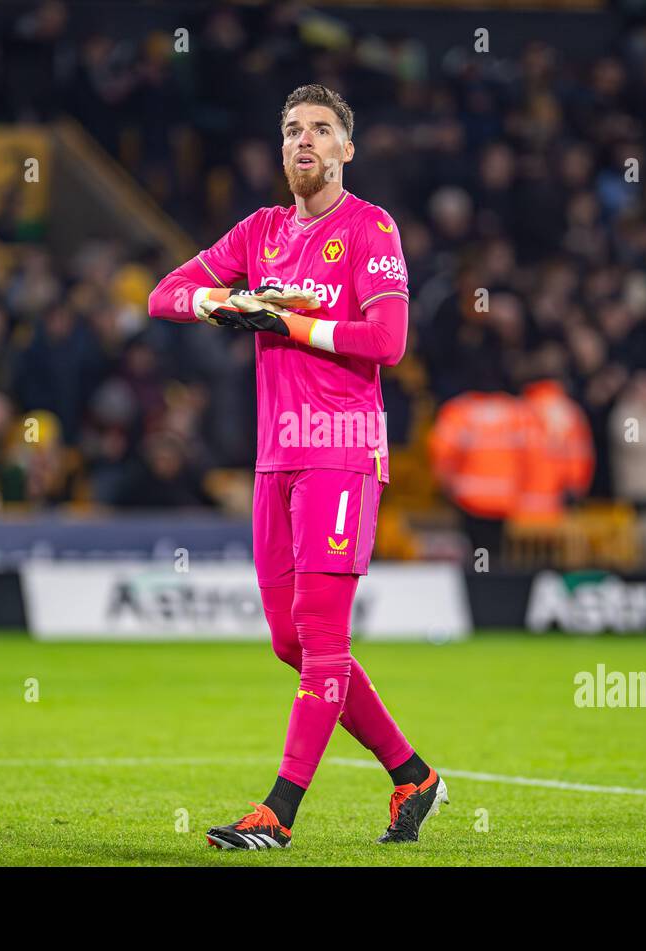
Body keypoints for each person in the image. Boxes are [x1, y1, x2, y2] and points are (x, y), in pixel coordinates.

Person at [148, 85, 445, 850]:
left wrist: (285, 320)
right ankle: (412, 774)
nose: (304, 141)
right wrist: (228, 304)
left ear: (348, 148)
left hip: (343, 448)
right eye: (291, 131)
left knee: (320, 634)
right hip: (276, 456)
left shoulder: (370, 227)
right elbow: (163, 295)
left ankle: (278, 812)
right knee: (292, 641)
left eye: (320, 130)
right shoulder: (261, 231)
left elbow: (387, 341)